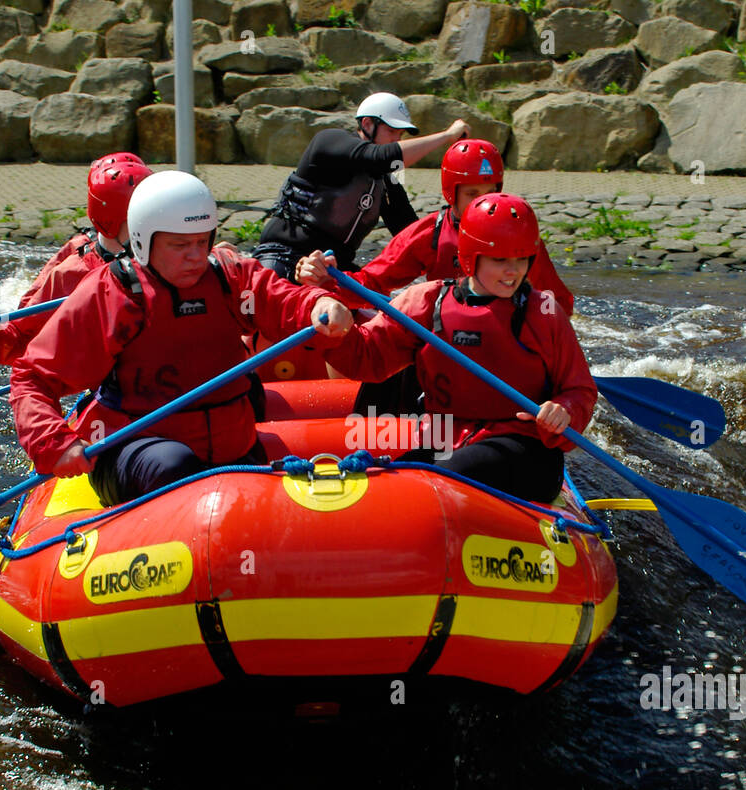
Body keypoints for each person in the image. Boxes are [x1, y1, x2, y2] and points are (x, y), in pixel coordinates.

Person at [9, 171, 354, 506]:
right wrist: (53, 443)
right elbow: (31, 377)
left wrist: (318, 303)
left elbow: (280, 299)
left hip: (230, 445)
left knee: (245, 423)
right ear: (143, 241)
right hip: (136, 448)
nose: (195, 256)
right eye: (179, 245)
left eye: (202, 242)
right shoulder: (112, 294)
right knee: (172, 464)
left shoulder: (226, 275)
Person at [323, 193, 596, 504]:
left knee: (441, 479)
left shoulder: (545, 312)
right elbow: (367, 359)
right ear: (471, 256)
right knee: (386, 488)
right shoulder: (427, 302)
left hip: (524, 448)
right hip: (445, 438)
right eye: (500, 259)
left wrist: (564, 410)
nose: (513, 271)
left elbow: (580, 390)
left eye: (521, 259)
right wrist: (337, 328)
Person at [244, 93, 469, 381]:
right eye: (392, 132)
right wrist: (448, 136)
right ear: (366, 124)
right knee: (265, 310)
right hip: (284, 256)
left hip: (336, 271)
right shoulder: (329, 143)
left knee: (381, 317)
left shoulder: (387, 181)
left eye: (400, 134)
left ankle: (347, 394)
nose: (396, 139)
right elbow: (381, 158)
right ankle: (252, 367)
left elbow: (411, 232)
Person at [296, 139, 574, 317]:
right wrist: (326, 279)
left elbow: (557, 301)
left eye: (490, 192)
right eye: (472, 194)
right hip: (451, 336)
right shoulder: (429, 233)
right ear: (451, 194)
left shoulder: (518, 235)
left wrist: (547, 342)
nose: (483, 204)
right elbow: (372, 282)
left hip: (508, 337)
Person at [0, 152, 153, 366]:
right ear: (111, 220)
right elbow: (20, 339)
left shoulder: (167, 253)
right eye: (141, 220)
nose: (157, 229)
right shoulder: (73, 270)